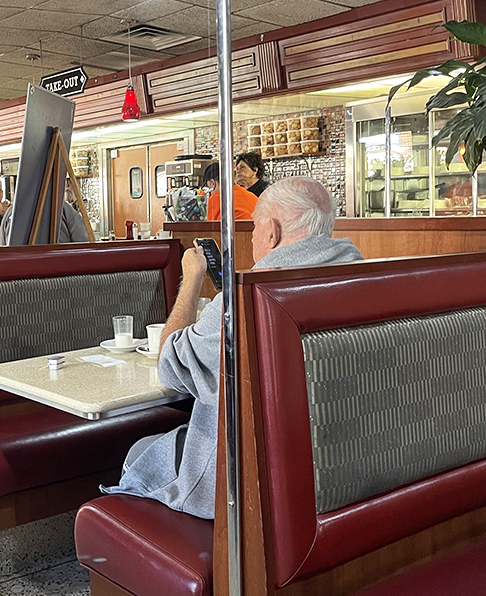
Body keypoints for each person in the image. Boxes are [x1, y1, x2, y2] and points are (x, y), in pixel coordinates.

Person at [102, 177, 363, 519]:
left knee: (141, 451)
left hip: (255, 483)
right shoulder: (361, 280)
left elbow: (171, 365)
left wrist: (191, 280)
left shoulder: (242, 303)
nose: (253, 236)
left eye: (254, 226)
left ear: (271, 231)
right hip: (341, 465)